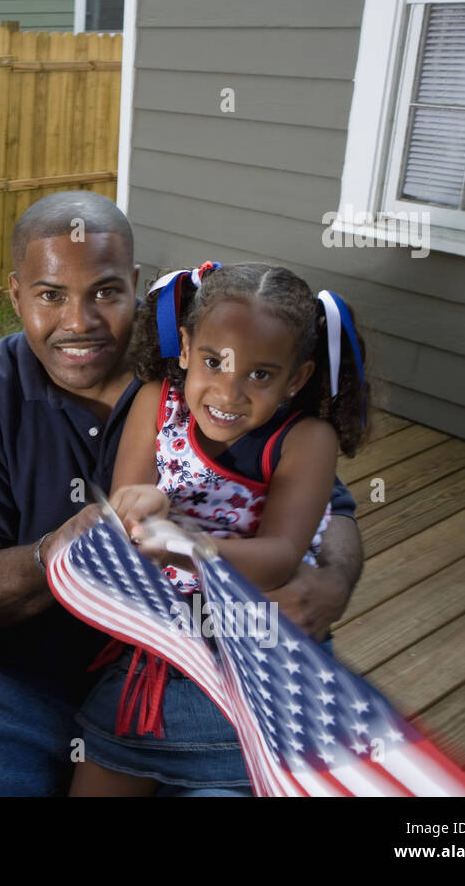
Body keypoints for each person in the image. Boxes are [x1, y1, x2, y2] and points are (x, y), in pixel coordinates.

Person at [0, 191, 363, 796]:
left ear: (134, 285)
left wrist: (332, 582)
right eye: (50, 295)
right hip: (29, 680)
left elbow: (326, 511)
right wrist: (59, 549)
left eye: (104, 292)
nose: (79, 322)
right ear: (16, 294)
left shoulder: (207, 379)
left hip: (207, 675)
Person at [68, 261, 369, 796]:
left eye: (260, 374)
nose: (229, 393)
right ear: (185, 348)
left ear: (295, 378)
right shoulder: (155, 402)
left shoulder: (306, 439)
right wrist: (151, 503)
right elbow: (128, 510)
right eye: (214, 362)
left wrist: (187, 546)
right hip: (155, 653)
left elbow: (279, 557)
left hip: (254, 663)